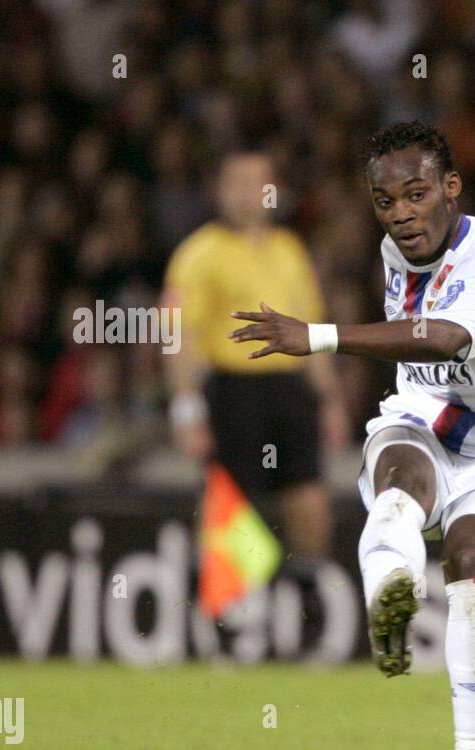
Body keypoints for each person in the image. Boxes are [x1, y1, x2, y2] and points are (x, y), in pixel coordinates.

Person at [229, 122, 475, 750]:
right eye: (386, 201)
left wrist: (319, 337)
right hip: (427, 419)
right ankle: (392, 594)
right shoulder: (396, 249)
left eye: (417, 194)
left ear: (452, 188)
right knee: (398, 483)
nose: (401, 213)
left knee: (472, 559)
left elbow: (445, 337)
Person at [162, 150, 347, 649]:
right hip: (233, 389)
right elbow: (177, 333)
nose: (250, 193)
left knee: (309, 501)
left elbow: (314, 330)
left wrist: (328, 400)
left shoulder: (290, 249)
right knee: (231, 509)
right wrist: (187, 409)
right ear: (221, 192)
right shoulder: (200, 252)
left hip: (289, 390)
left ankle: (306, 607)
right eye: (239, 183)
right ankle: (223, 622)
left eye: (259, 183)